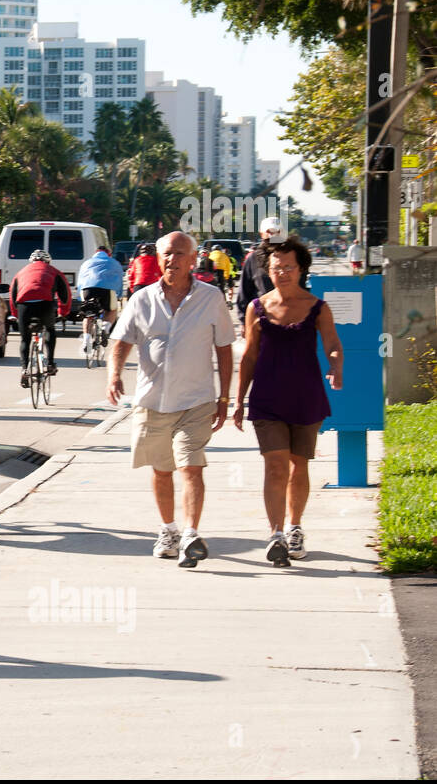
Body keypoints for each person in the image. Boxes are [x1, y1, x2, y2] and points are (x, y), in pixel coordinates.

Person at [107, 231, 235, 568]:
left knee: (191, 468)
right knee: (162, 471)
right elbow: (121, 340)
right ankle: (168, 530)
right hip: (152, 401)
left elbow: (224, 347)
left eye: (179, 254)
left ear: (194, 259)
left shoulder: (211, 298)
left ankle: (191, 534)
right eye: (166, 253)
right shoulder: (142, 299)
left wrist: (225, 397)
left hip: (196, 401)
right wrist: (114, 374)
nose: (171, 260)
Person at [233, 237, 344, 567]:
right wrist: (237, 400)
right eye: (276, 267)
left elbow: (333, 345)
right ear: (268, 270)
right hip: (267, 398)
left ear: (300, 269)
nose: (282, 272)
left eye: (288, 267)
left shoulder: (318, 307)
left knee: (299, 466)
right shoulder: (257, 308)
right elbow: (250, 356)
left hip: (306, 396)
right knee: (276, 465)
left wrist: (335, 367)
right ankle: (276, 533)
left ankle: (296, 528)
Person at [9, 248, 71, 387]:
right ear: (47, 261)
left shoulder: (20, 272)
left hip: (24, 306)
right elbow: (65, 295)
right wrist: (63, 313)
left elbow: (13, 295)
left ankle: (24, 369)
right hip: (45, 304)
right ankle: (49, 363)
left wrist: (15, 315)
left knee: (25, 339)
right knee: (49, 330)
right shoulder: (54, 271)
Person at [236, 216, 309, 327]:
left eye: (277, 231)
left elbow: (302, 288)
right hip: (263, 323)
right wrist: (245, 323)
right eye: (269, 231)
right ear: (261, 234)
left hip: (293, 321)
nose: (273, 235)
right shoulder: (253, 259)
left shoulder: (296, 256)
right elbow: (244, 294)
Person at [76, 245, 124, 355]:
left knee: (88, 314)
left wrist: (80, 297)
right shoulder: (114, 263)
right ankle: (105, 329)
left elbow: (80, 281)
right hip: (107, 290)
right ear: (109, 254)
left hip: (87, 289)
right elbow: (120, 281)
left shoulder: (87, 263)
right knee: (111, 310)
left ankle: (86, 339)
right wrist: (119, 295)